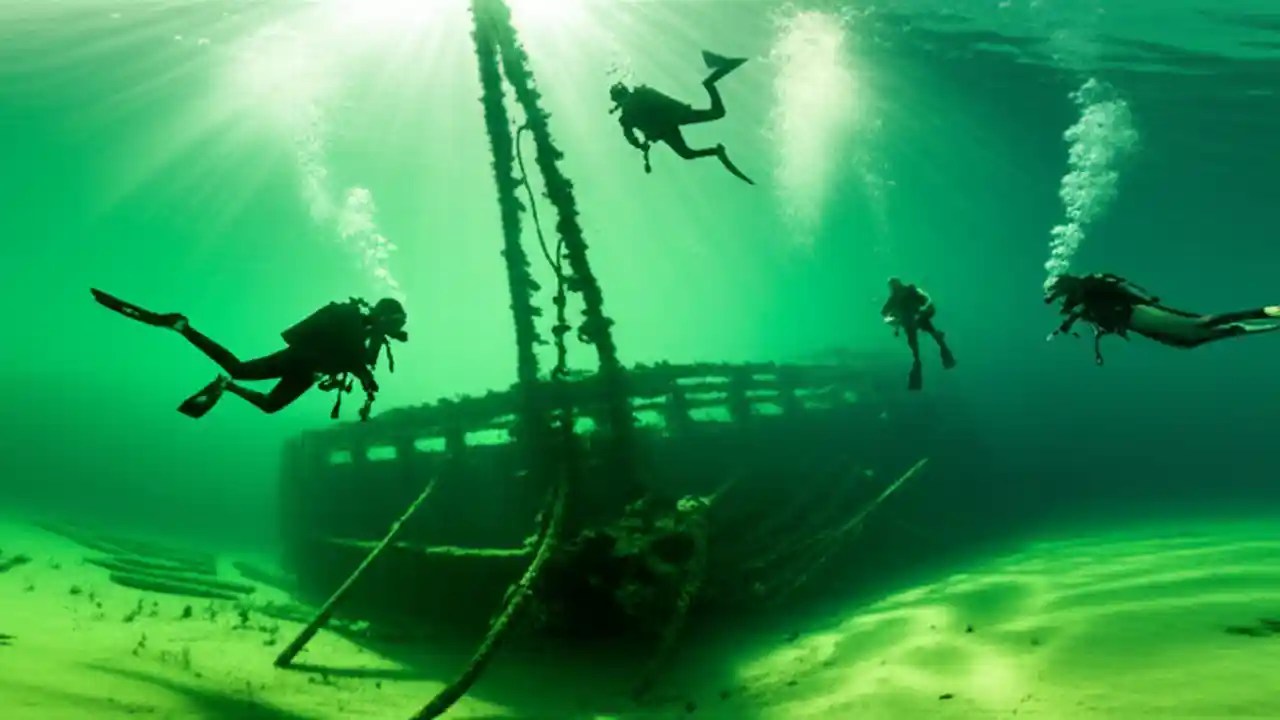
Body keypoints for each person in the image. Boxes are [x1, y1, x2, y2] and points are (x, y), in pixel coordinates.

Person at [91, 289, 407, 420]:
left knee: (267, 403)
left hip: (308, 371)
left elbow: (361, 363)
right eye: (395, 323)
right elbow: (357, 359)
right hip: (299, 362)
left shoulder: (366, 330)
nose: (397, 330)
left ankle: (225, 383)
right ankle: (183, 327)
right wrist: (367, 373)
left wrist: (368, 380)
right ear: (385, 316)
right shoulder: (355, 322)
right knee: (241, 369)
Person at [1045, 272, 1280, 364]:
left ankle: (1268, 313)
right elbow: (1091, 322)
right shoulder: (1081, 305)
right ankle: (1266, 325)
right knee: (1188, 340)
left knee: (1200, 325)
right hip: (1138, 323)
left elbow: (1121, 286)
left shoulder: (1090, 286)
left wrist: (1147, 299)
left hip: (1140, 314)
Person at [609, 50, 754, 185]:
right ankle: (716, 151)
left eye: (625, 94)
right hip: (668, 129)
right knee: (687, 154)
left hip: (677, 117)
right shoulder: (626, 117)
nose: (626, 99)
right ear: (618, 101)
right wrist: (639, 145)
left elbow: (660, 101)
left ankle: (709, 83)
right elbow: (629, 136)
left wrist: (641, 143)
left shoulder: (639, 97)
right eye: (621, 98)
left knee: (718, 113)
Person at [881, 278, 956, 391]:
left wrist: (893, 318)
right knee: (929, 338)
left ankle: (929, 361)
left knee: (917, 345)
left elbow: (884, 311)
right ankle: (945, 357)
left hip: (913, 319)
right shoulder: (906, 293)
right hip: (916, 318)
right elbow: (925, 301)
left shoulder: (899, 295)